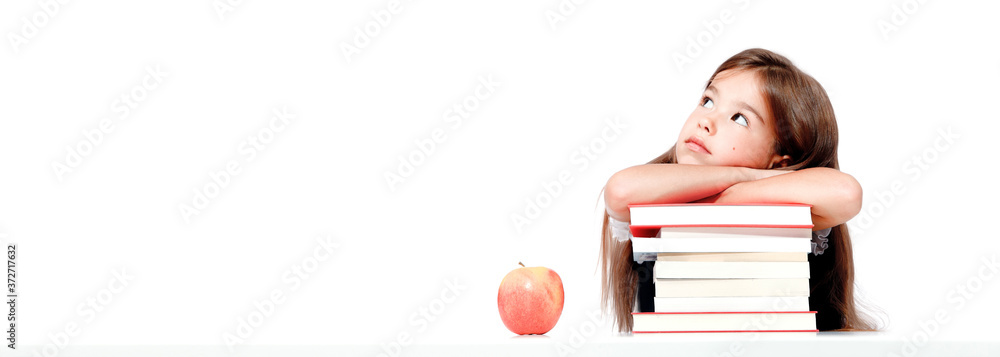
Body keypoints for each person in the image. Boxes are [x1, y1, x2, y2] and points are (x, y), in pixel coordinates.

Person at [600, 48, 877, 333]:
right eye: (707, 101)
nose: (705, 121)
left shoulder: (787, 206)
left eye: (739, 118)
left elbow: (846, 193)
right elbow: (620, 190)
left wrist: (725, 192)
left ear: (780, 160)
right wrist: (742, 174)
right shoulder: (650, 184)